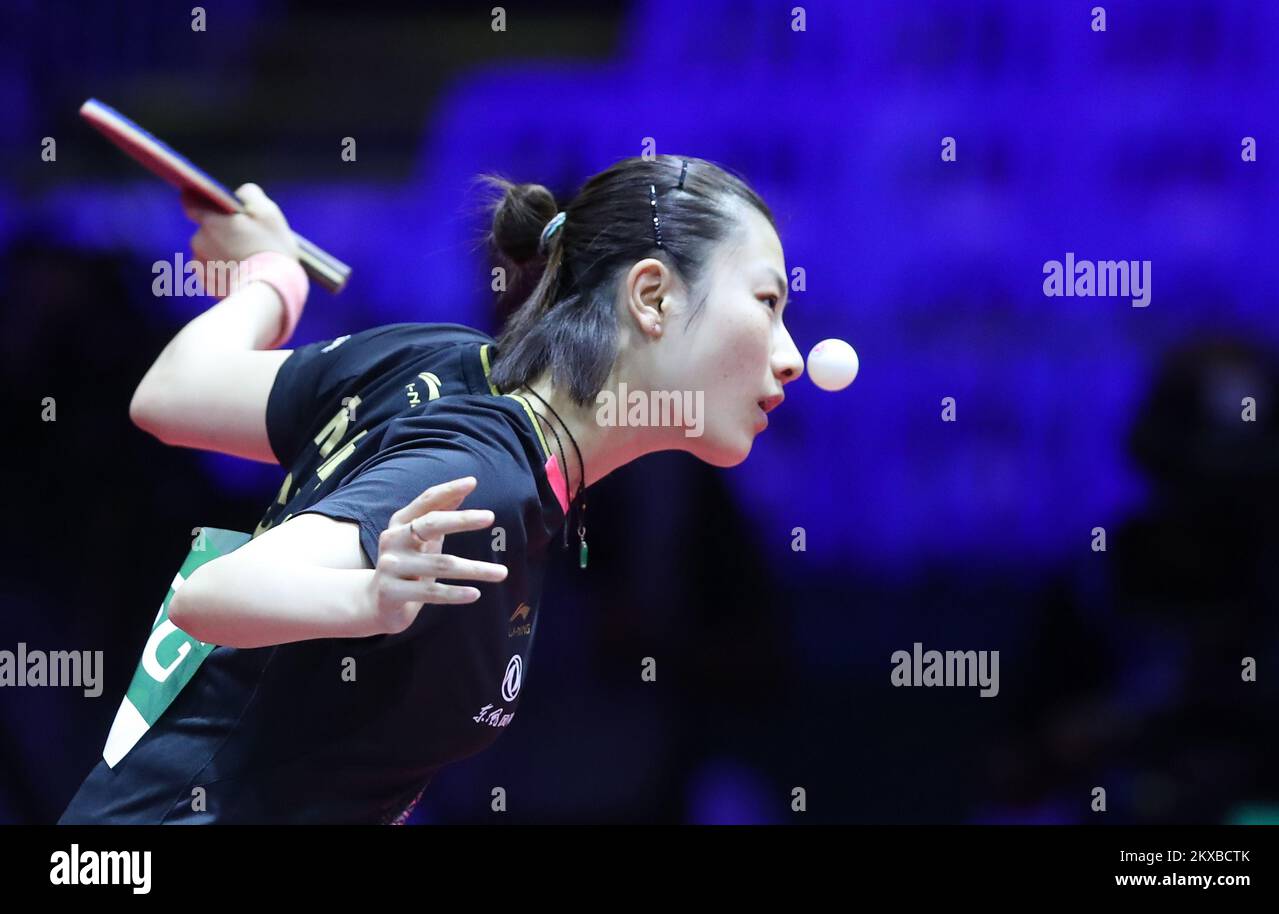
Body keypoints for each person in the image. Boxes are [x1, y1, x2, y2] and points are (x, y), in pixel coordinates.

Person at [58, 154, 803, 823]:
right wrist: (367, 601)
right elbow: (212, 596)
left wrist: (270, 283)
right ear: (652, 296)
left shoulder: (443, 364)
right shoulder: (487, 472)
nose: (793, 356)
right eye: (768, 305)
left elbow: (172, 393)